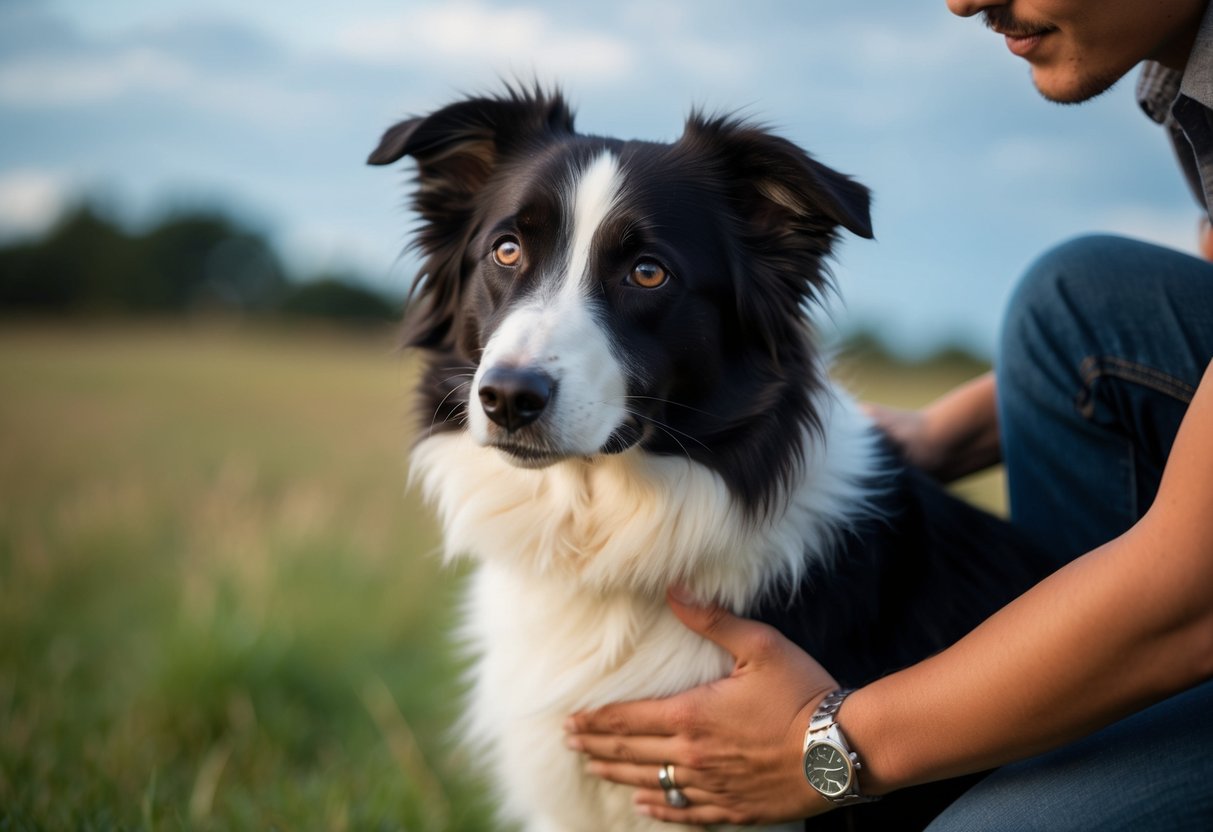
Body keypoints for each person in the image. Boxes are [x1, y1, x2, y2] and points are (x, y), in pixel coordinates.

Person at [563, 1, 1213, 828]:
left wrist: (824, 744)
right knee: (1078, 304)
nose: (962, 2)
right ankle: (1086, 716)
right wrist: (943, 434)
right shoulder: (1187, 65)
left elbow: (1194, 597)